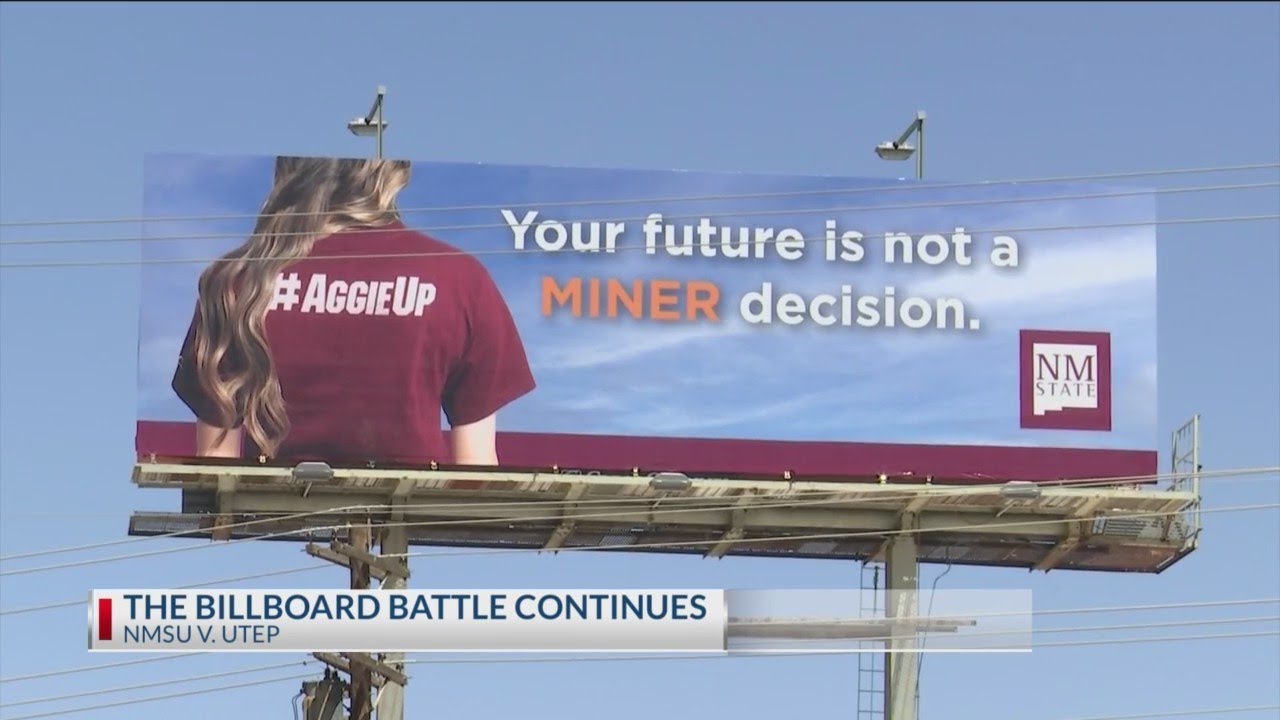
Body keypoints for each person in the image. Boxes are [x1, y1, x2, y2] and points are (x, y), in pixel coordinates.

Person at [171, 155, 536, 466]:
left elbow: (215, 468)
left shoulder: (234, 280)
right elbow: (476, 471)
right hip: (407, 516)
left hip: (269, 518)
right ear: (392, 171)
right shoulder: (460, 278)